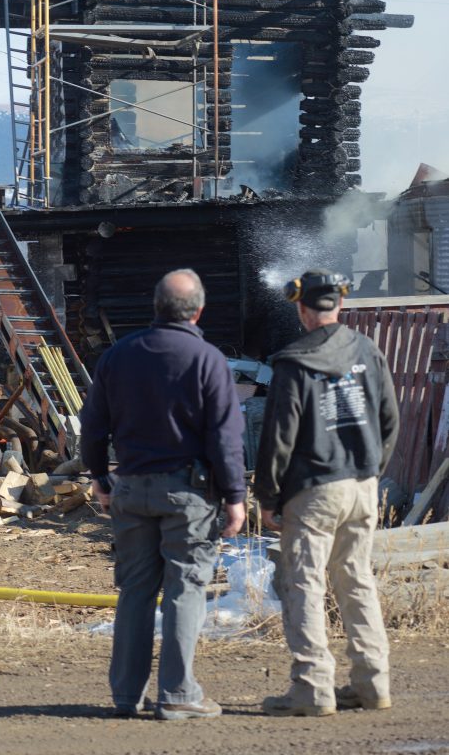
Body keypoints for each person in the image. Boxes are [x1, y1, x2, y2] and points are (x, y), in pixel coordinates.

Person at [80, 268, 246, 721]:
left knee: (135, 590)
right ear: (199, 311)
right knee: (185, 589)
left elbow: (92, 426)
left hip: (131, 488)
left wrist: (100, 478)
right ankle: (177, 694)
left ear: (156, 306)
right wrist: (235, 495)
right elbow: (225, 436)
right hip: (188, 493)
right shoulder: (207, 359)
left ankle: (125, 695)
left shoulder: (117, 356)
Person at [254, 268, 400, 718]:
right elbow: (390, 419)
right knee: (356, 580)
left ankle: (313, 690)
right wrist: (371, 470)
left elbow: (279, 437)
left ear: (301, 309)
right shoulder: (366, 349)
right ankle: (373, 685)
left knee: (304, 584)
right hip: (362, 485)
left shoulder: (293, 362)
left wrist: (267, 496)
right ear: (340, 304)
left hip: (313, 490)